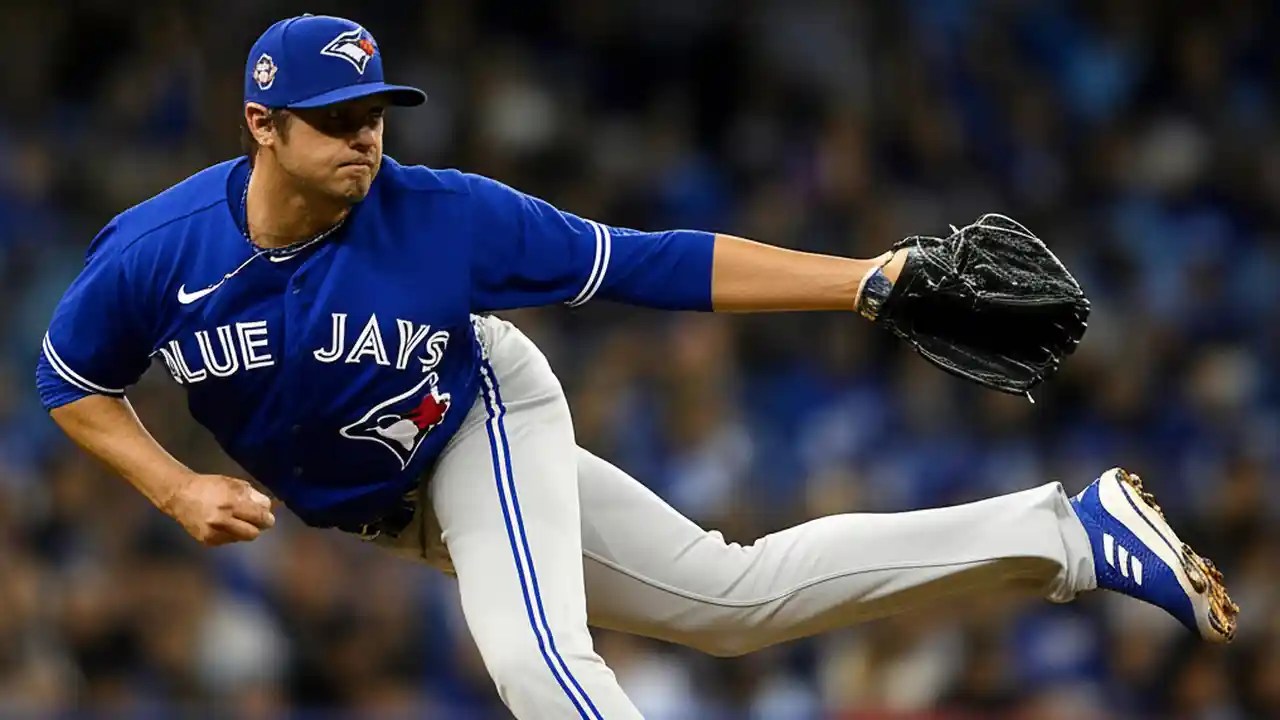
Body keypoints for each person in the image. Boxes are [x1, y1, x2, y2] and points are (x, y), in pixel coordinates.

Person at [37, 14, 1237, 718]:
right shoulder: (155, 254)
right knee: (731, 601)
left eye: (376, 110)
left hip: (472, 418)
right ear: (261, 127)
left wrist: (862, 275)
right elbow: (71, 380)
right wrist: (174, 487)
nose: (365, 134)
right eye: (335, 116)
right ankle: (1072, 534)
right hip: (381, 510)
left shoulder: (439, 214)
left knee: (535, 662)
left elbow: (650, 263)